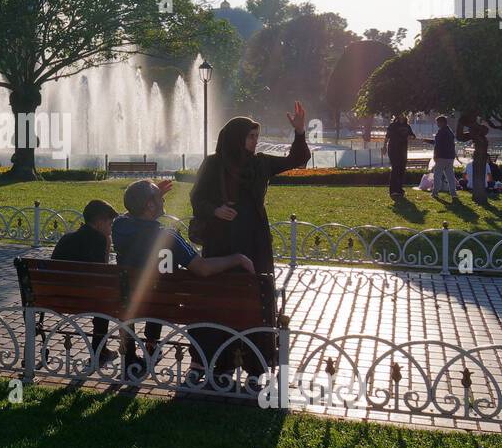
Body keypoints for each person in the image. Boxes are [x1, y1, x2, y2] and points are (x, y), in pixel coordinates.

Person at [114, 179, 255, 374]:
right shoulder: (167, 237)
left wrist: (149, 198)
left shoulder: (118, 227)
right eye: (159, 199)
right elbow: (202, 268)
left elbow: (130, 215)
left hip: (127, 299)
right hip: (164, 304)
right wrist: (236, 259)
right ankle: (205, 361)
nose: (164, 202)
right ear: (150, 205)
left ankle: (130, 358)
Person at [189, 102, 311, 277]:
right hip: (222, 236)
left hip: (255, 235)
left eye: (256, 136)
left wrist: (299, 132)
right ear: (237, 137)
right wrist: (215, 210)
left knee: (256, 286)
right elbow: (197, 197)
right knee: (224, 287)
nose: (256, 141)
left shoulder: (260, 163)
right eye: (250, 136)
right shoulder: (214, 163)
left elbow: (297, 159)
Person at [50, 199, 119, 364]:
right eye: (110, 224)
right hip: (87, 300)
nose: (111, 229)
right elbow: (102, 276)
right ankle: (100, 350)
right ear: (100, 223)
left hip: (56, 298)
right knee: (106, 298)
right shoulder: (99, 240)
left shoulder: (66, 238)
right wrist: (107, 245)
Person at [382, 113, 416, 199]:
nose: (402, 116)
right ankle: (393, 190)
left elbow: (412, 136)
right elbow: (387, 137)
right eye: (400, 114)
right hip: (393, 150)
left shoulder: (407, 126)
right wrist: (384, 147)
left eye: (404, 114)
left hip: (403, 150)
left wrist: (411, 137)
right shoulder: (393, 125)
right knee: (395, 168)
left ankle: (399, 189)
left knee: (402, 169)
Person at [425, 115, 458, 198]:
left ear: (442, 122)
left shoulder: (441, 132)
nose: (437, 124)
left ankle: (435, 192)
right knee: (450, 176)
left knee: (437, 175)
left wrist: (435, 156)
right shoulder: (450, 132)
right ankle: (453, 193)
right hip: (450, 157)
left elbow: (437, 145)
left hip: (442, 157)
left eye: (438, 123)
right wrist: (427, 140)